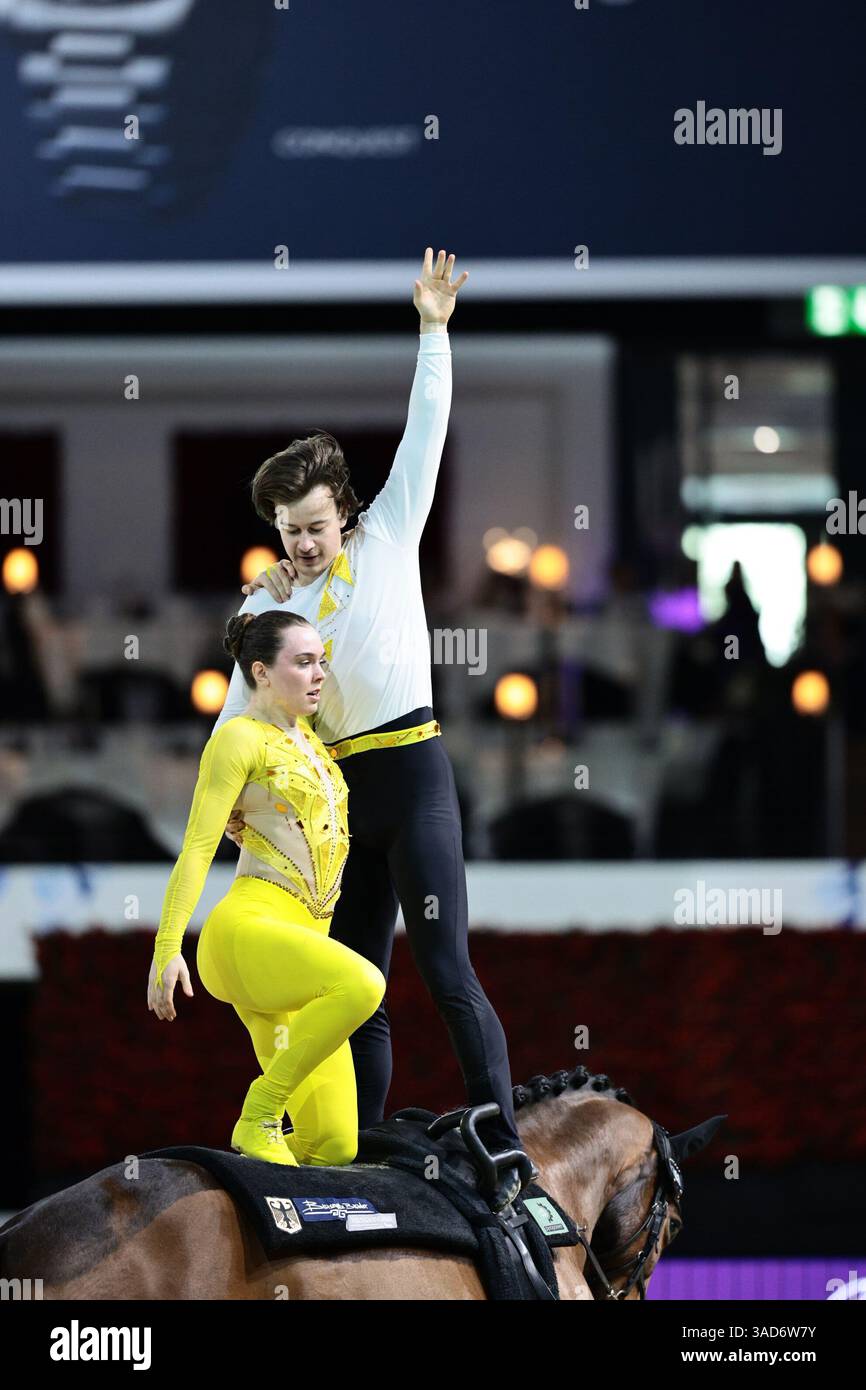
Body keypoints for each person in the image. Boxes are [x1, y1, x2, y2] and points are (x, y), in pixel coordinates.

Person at [214, 248, 535, 1209]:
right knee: (355, 985)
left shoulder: (391, 530)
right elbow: (240, 707)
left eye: (312, 525)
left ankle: (507, 1144)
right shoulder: (267, 602)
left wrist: (433, 329)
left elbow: (426, 428)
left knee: (444, 967)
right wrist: (229, 795)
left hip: (417, 773)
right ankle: (352, 1164)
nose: (301, 544)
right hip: (339, 799)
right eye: (287, 533)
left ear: (341, 509)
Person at [148, 610, 385, 1166]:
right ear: (260, 672)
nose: (319, 674)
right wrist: (166, 948)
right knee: (364, 984)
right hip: (246, 936)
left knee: (334, 1147)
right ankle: (259, 1109)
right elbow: (197, 849)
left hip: (296, 962)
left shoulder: (316, 746)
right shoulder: (237, 739)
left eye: (321, 661)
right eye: (303, 663)